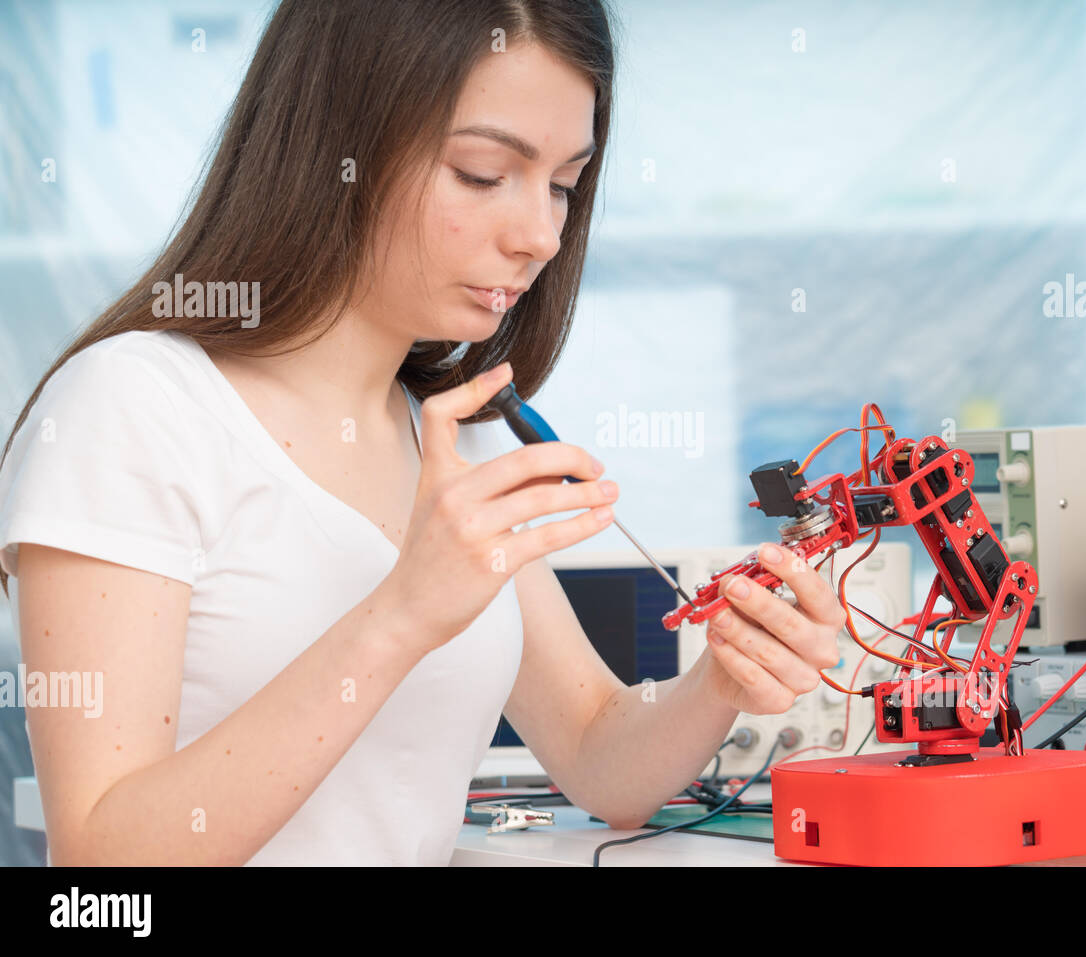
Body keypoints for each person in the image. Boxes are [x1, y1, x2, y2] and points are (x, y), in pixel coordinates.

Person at [0, 0, 845, 866]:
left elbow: (601, 756)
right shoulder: (131, 407)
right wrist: (401, 614)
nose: (541, 235)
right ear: (333, 149)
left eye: (563, 184)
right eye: (483, 173)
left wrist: (723, 677)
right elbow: (102, 863)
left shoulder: (455, 437)